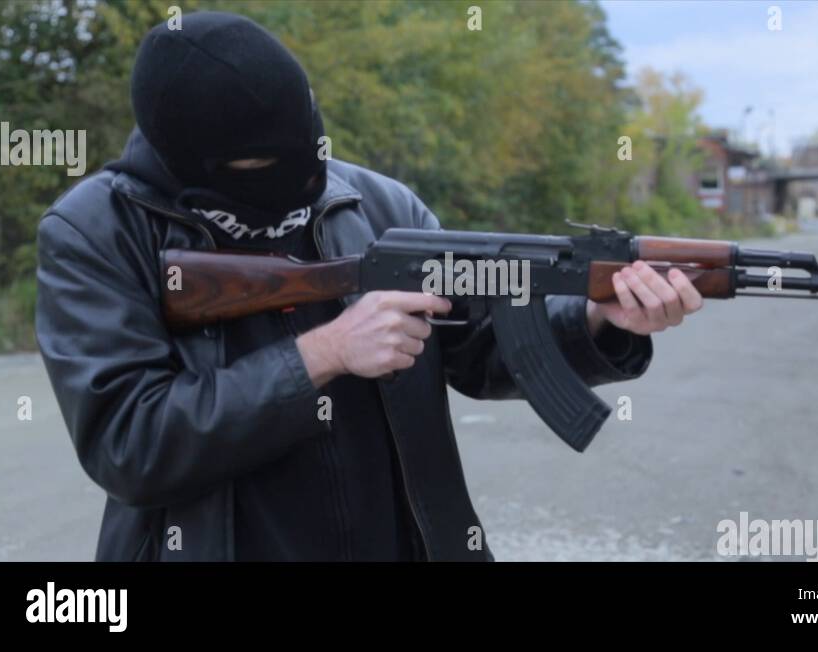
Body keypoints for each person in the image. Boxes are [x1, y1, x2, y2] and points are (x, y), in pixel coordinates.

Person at [35, 11, 703, 561]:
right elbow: (129, 442)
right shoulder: (97, 231)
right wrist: (323, 354)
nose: (304, 175)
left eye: (308, 146)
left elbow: (480, 348)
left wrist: (597, 319)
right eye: (265, 162)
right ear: (186, 157)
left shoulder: (378, 206)